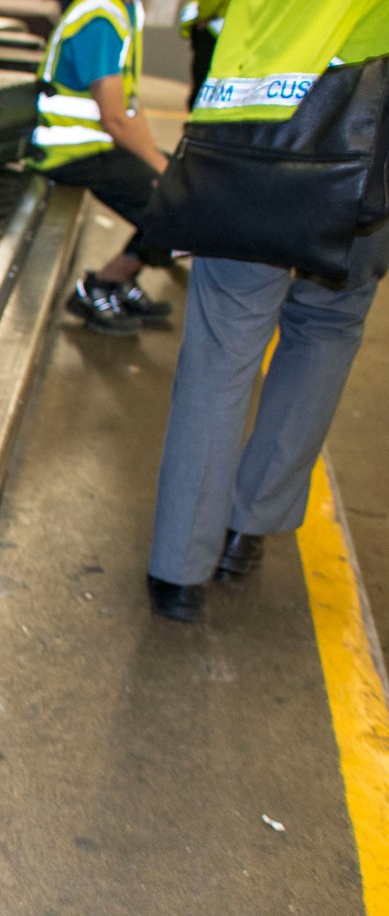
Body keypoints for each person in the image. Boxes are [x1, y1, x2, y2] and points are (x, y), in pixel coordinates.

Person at [145, 0, 389, 621]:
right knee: (325, 331)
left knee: (221, 350)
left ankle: (178, 570)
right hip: (357, 149)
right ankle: (246, 529)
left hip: (244, 137)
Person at [28, 0, 175, 335]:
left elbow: (128, 108)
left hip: (97, 147)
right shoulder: (101, 17)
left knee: (186, 189)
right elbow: (115, 119)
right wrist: (164, 172)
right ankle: (103, 284)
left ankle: (118, 282)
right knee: (179, 204)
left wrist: (161, 162)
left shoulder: (121, 11)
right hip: (70, 153)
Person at [178, 0, 229, 109]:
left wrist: (202, 15)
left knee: (202, 75)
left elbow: (209, 5)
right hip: (226, 32)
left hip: (213, 30)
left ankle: (197, 110)